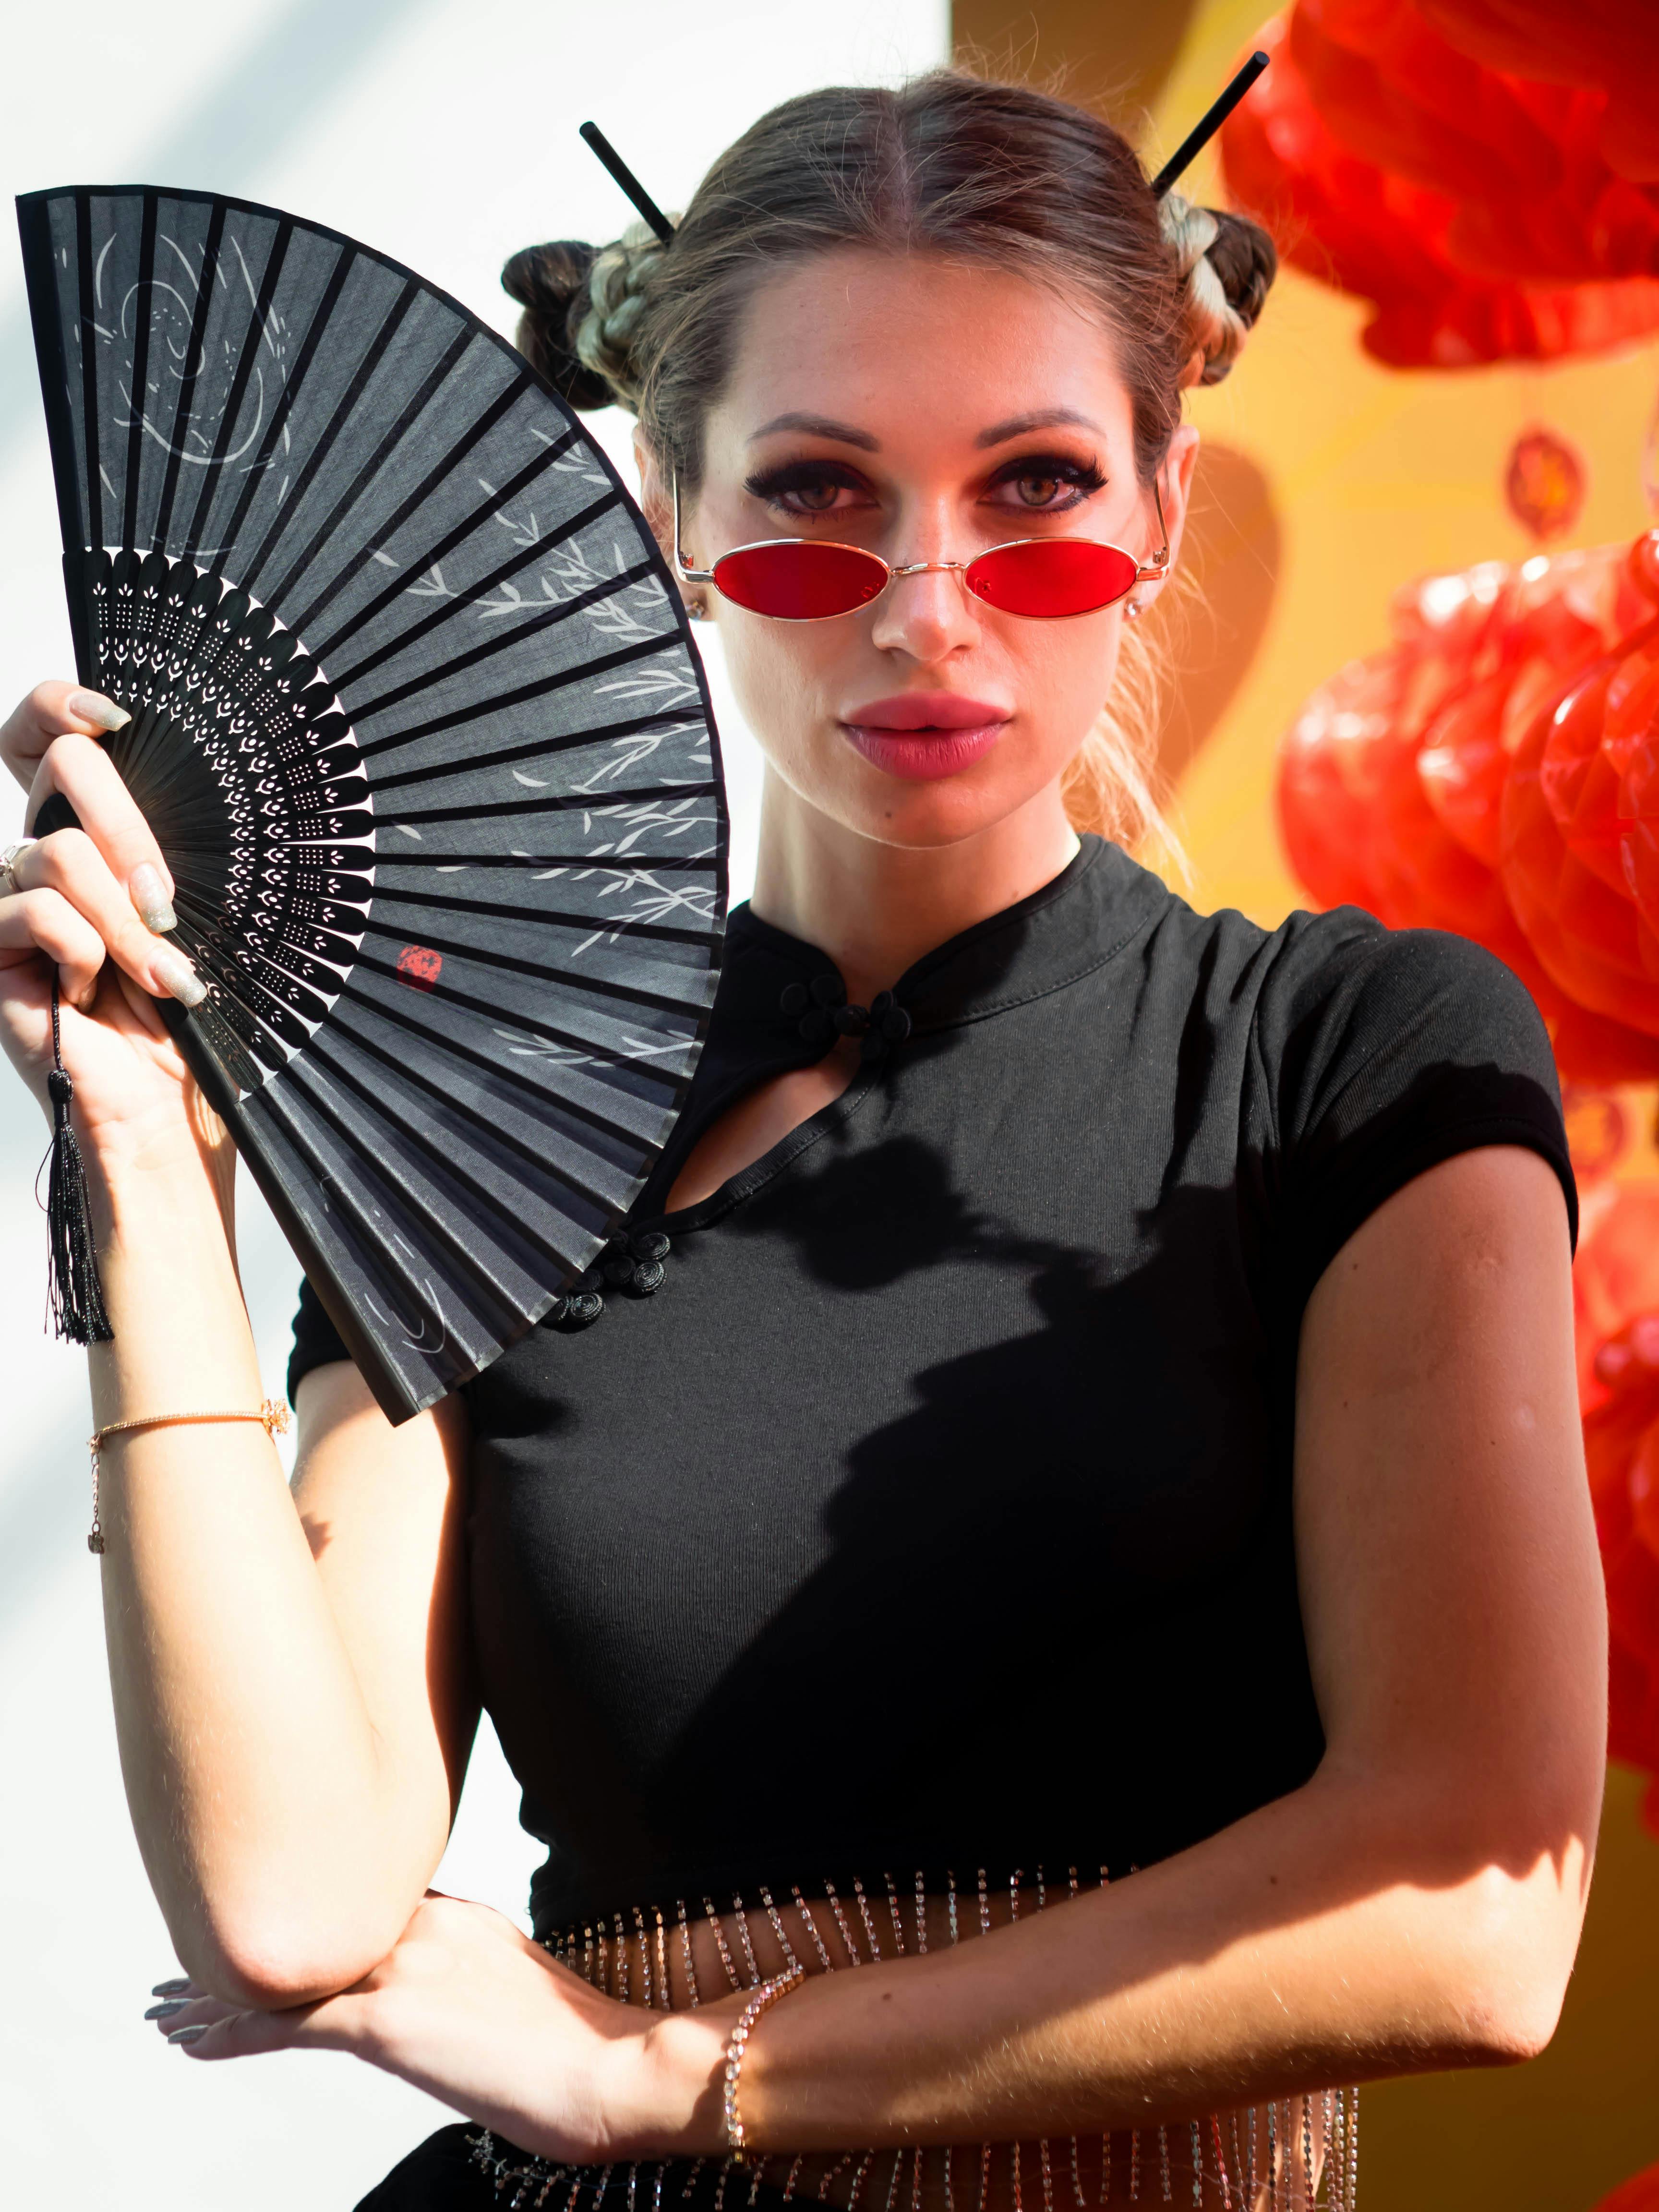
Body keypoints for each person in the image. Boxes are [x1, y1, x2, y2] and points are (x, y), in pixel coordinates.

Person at [0, 68, 1604, 2212]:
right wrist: (153, 1148)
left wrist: (687, 2078)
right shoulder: (503, 1102)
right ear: (669, 512)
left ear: (1165, 500)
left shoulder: (1351, 1056)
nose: (928, 607)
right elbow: (291, 1895)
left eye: (1035, 486)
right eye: (818, 494)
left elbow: (1474, 1915)